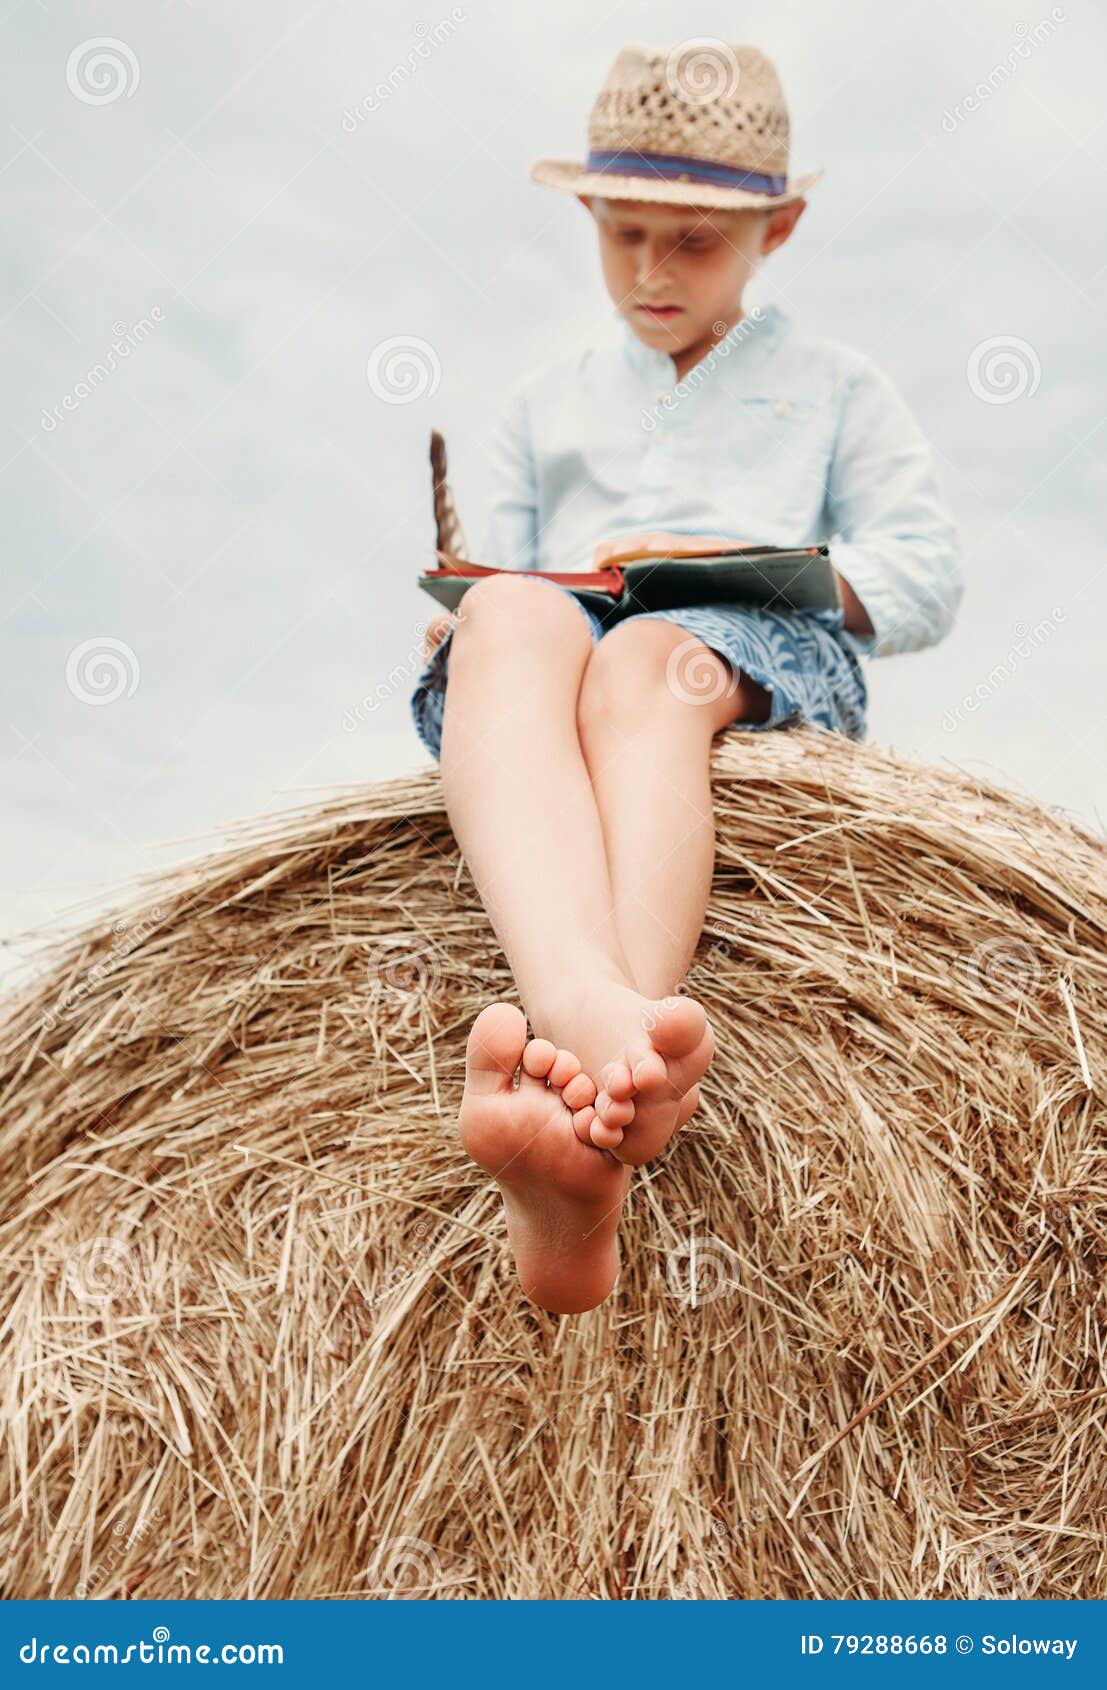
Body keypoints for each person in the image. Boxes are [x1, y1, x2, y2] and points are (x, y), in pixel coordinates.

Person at [408, 41, 963, 1315]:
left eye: (696, 245)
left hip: (742, 652)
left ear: (782, 227)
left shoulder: (838, 392)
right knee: (509, 611)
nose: (654, 273)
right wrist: (469, 618)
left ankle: (589, 1065)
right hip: (577, 632)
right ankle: (607, 1056)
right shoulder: (543, 405)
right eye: (628, 236)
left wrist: (742, 562)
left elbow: (926, 580)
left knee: (649, 665)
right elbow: (491, 575)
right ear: (593, 218)